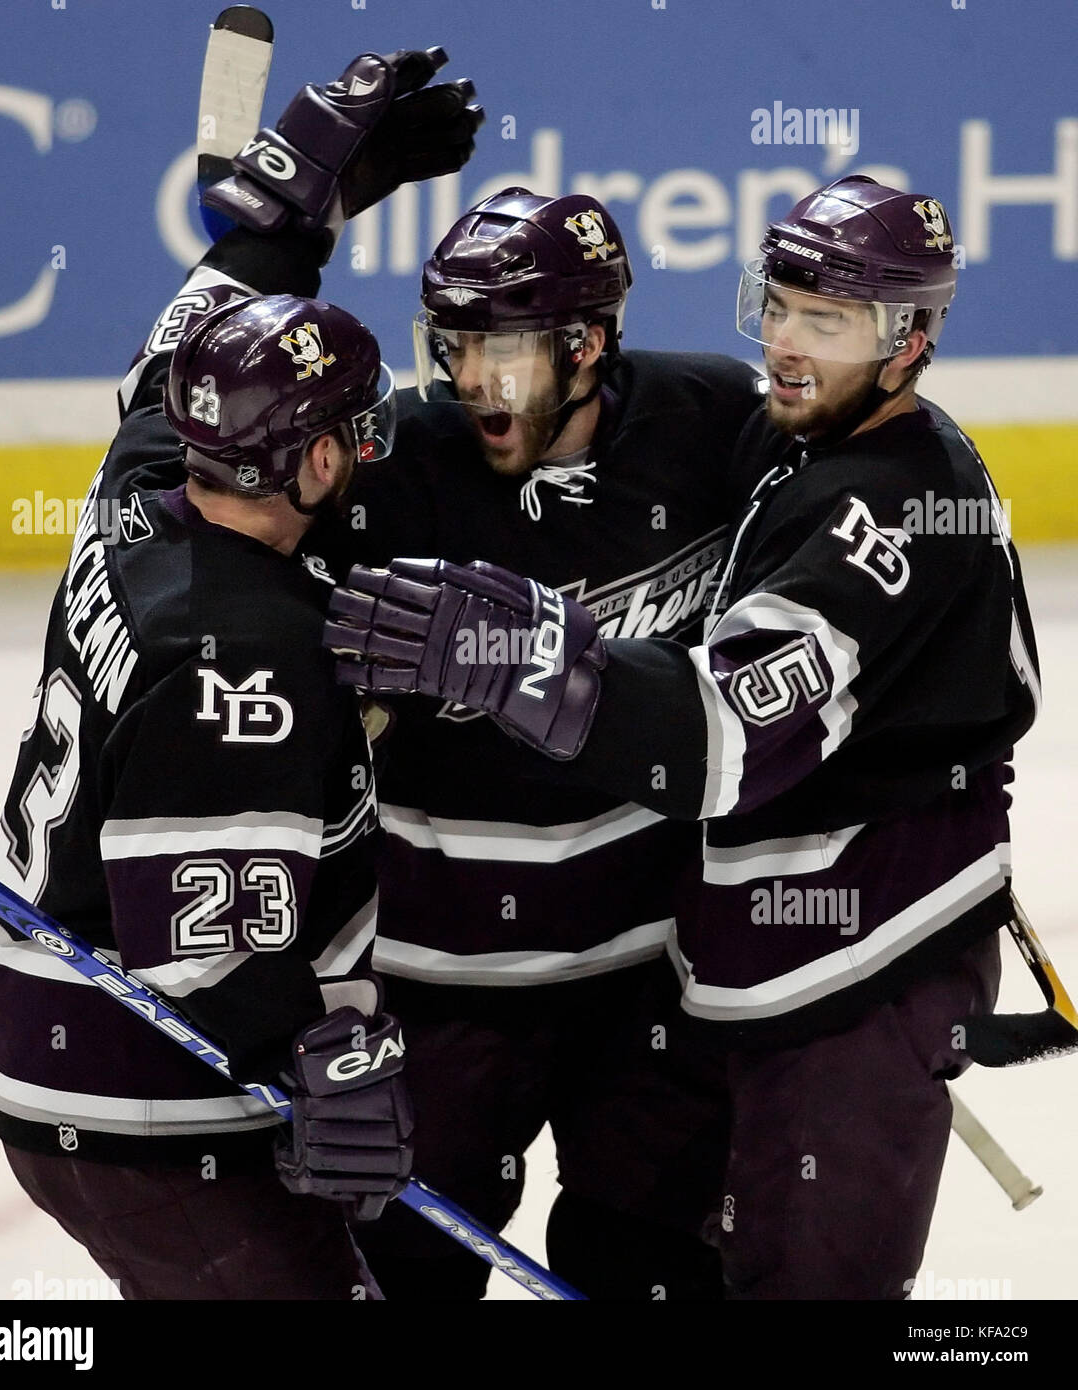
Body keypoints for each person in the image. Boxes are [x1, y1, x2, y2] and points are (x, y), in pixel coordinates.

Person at [324, 175, 1042, 1299]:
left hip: (821, 975)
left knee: (756, 1276)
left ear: (908, 341)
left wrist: (520, 659)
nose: (790, 347)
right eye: (782, 306)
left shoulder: (856, 495)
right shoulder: (771, 444)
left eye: (830, 321)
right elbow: (203, 475)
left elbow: (719, 740)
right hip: (613, 981)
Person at [0, 46, 481, 1301]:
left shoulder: (140, 487)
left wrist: (281, 223)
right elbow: (197, 944)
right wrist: (323, 1059)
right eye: (353, 432)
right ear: (306, 467)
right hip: (145, 1102)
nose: (374, 447)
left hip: (63, 1044)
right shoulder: (248, 660)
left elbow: (180, 348)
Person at [338, 187, 765, 1299]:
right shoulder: (388, 472)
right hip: (436, 989)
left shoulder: (712, 420)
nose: (470, 376)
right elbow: (184, 509)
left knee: (657, 1268)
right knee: (403, 1274)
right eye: (454, 343)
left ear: (587, 343)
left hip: (649, 983)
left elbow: (870, 513)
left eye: (503, 348)